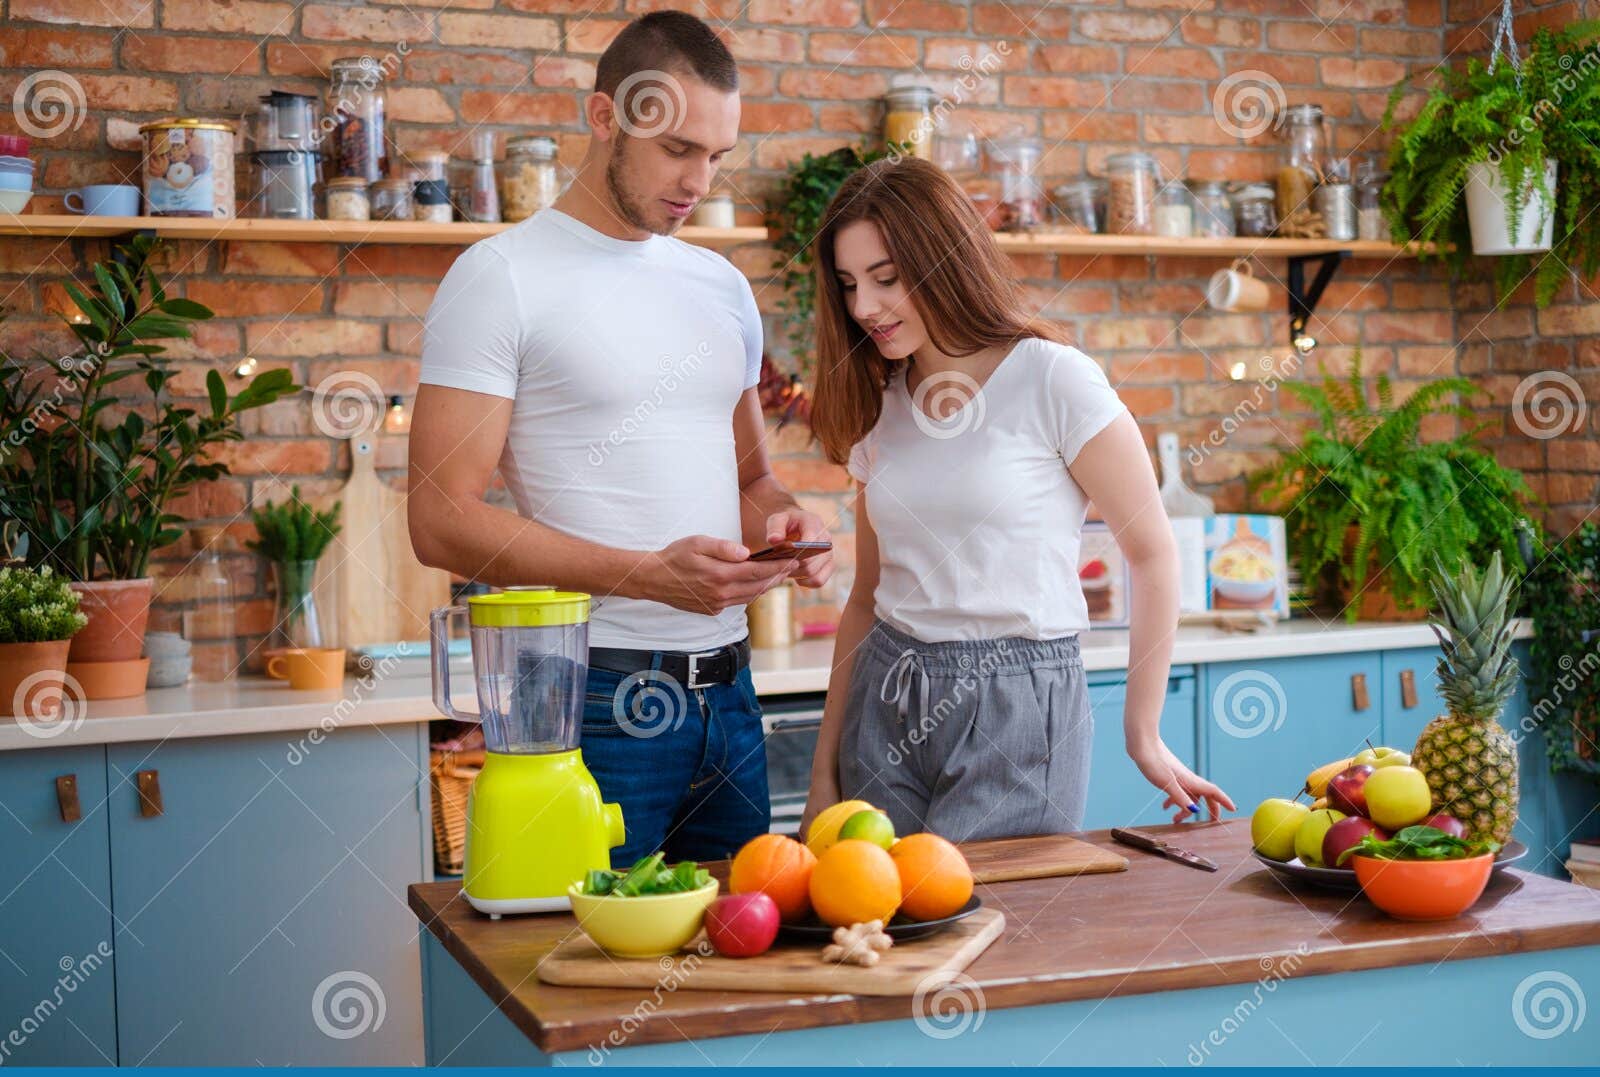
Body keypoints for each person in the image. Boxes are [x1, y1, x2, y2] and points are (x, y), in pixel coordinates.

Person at [409, 11, 832, 866]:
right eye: (677, 148)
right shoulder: (500, 278)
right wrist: (647, 577)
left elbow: (754, 481)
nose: (698, 181)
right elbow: (439, 519)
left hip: (732, 694)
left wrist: (785, 522)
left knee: (739, 974)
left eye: (716, 157)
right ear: (605, 117)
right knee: (581, 969)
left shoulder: (719, 285)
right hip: (593, 694)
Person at [800, 157, 1233, 842]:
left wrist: (1143, 733)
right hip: (888, 687)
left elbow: (1153, 553)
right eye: (850, 285)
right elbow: (866, 597)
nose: (863, 307)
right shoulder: (880, 404)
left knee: (999, 927)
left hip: (1018, 700)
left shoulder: (1052, 378)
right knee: (885, 927)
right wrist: (824, 772)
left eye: (886, 279)